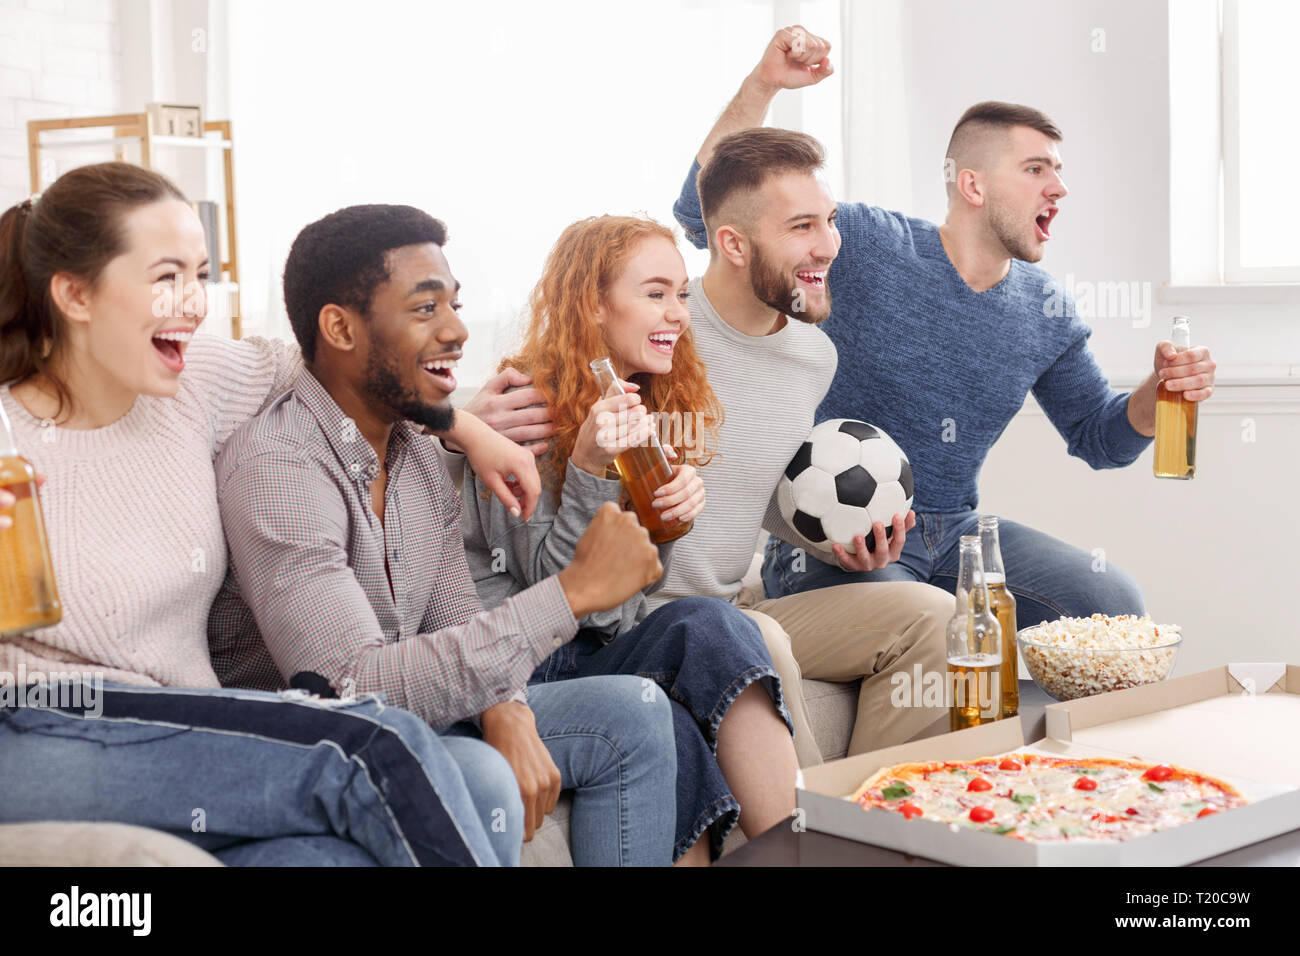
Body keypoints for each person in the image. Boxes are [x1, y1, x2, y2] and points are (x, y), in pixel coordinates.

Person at [0, 163, 542, 866]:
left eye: (201, 275)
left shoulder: (192, 382)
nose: (192, 304)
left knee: (327, 857)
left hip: (191, 724)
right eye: (166, 277)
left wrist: (468, 428)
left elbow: (350, 368)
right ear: (74, 293)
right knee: (375, 745)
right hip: (42, 720)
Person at [683, 27, 1218, 626]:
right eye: (1036, 168)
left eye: (1059, 171)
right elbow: (700, 211)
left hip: (957, 531)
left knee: (1114, 605)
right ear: (973, 185)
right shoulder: (863, 243)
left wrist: (1159, 388)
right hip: (840, 533)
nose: (1059, 187)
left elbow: (1101, 438)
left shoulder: (1046, 310)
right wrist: (764, 86)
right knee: (925, 620)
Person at [210, 204, 679, 867]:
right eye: (425, 309)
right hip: (319, 743)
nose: (458, 332)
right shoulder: (281, 468)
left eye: (454, 305)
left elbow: (452, 611)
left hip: (409, 719)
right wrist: (570, 594)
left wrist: (507, 709)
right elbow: (350, 684)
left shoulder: (418, 449)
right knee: (484, 777)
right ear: (339, 327)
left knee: (633, 714)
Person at [448, 214, 799, 864]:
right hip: (521, 664)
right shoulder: (522, 416)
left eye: (682, 294)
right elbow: (566, 605)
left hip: (595, 646)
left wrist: (667, 519)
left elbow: (624, 598)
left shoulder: (640, 404)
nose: (679, 313)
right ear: (594, 304)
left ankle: (797, 849)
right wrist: (583, 471)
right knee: (676, 700)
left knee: (713, 626)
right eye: (655, 293)